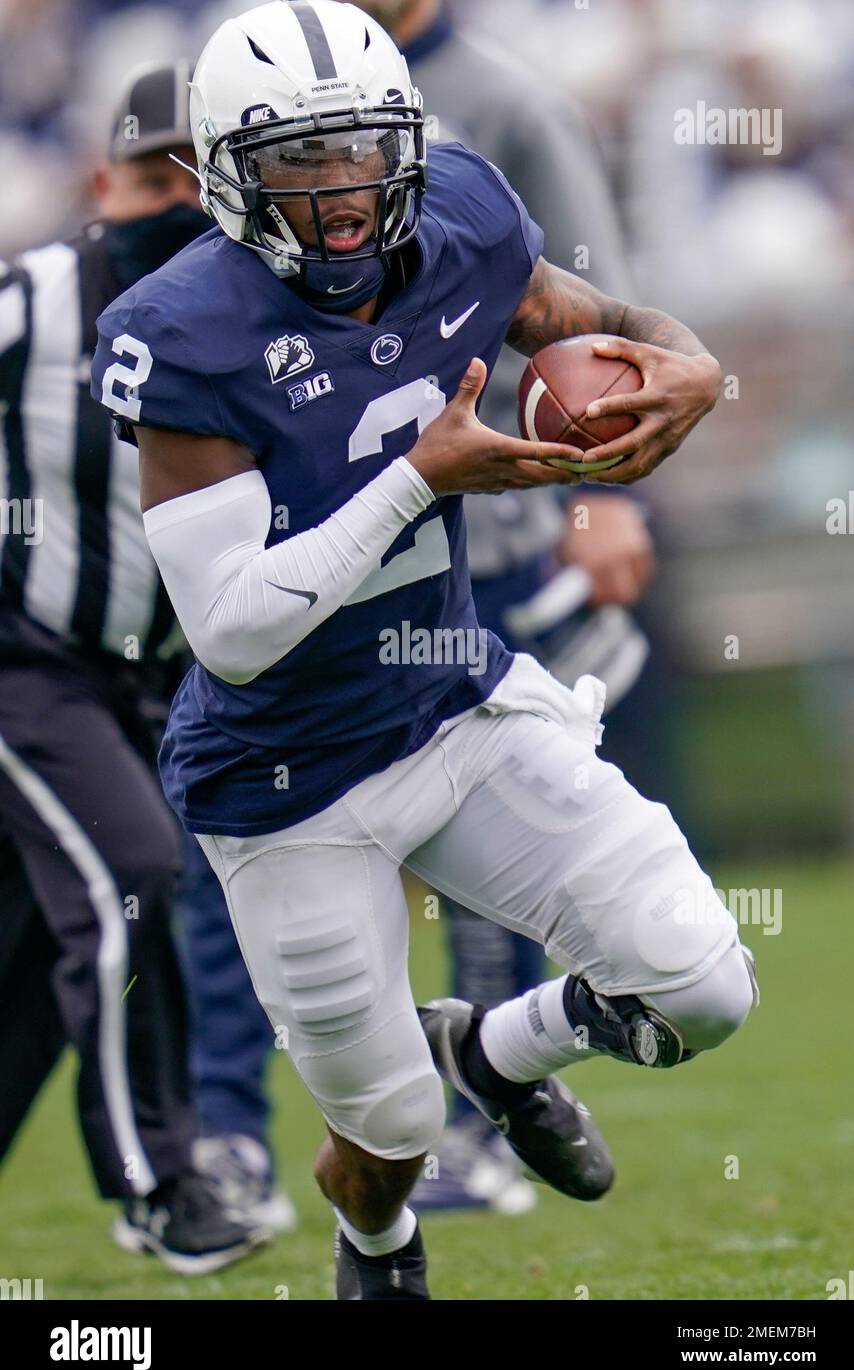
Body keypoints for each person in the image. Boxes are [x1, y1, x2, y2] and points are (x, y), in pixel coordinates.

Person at [92, 1, 758, 1301]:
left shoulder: (459, 211)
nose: (342, 193)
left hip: (449, 702)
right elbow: (228, 631)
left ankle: (502, 1051)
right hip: (286, 781)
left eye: (361, 150)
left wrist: (683, 363)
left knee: (700, 986)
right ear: (227, 171)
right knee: (385, 1130)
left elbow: (587, 317)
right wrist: (417, 477)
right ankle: (381, 1245)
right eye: (299, 161)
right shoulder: (184, 330)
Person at [340, 0, 658, 1213]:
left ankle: (481, 1103)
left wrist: (606, 494)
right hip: (366, 512)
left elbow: (598, 310)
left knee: (487, 794)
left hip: (506, 507)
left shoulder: (508, 97)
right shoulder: (299, 97)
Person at [0, 60, 265, 1274]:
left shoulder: (255, 309)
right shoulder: (34, 301)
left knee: (26, 948)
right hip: (26, 666)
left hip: (150, 681)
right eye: (151, 172)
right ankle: (161, 1181)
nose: (175, 198)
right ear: (101, 179)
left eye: (194, 174)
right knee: (132, 881)